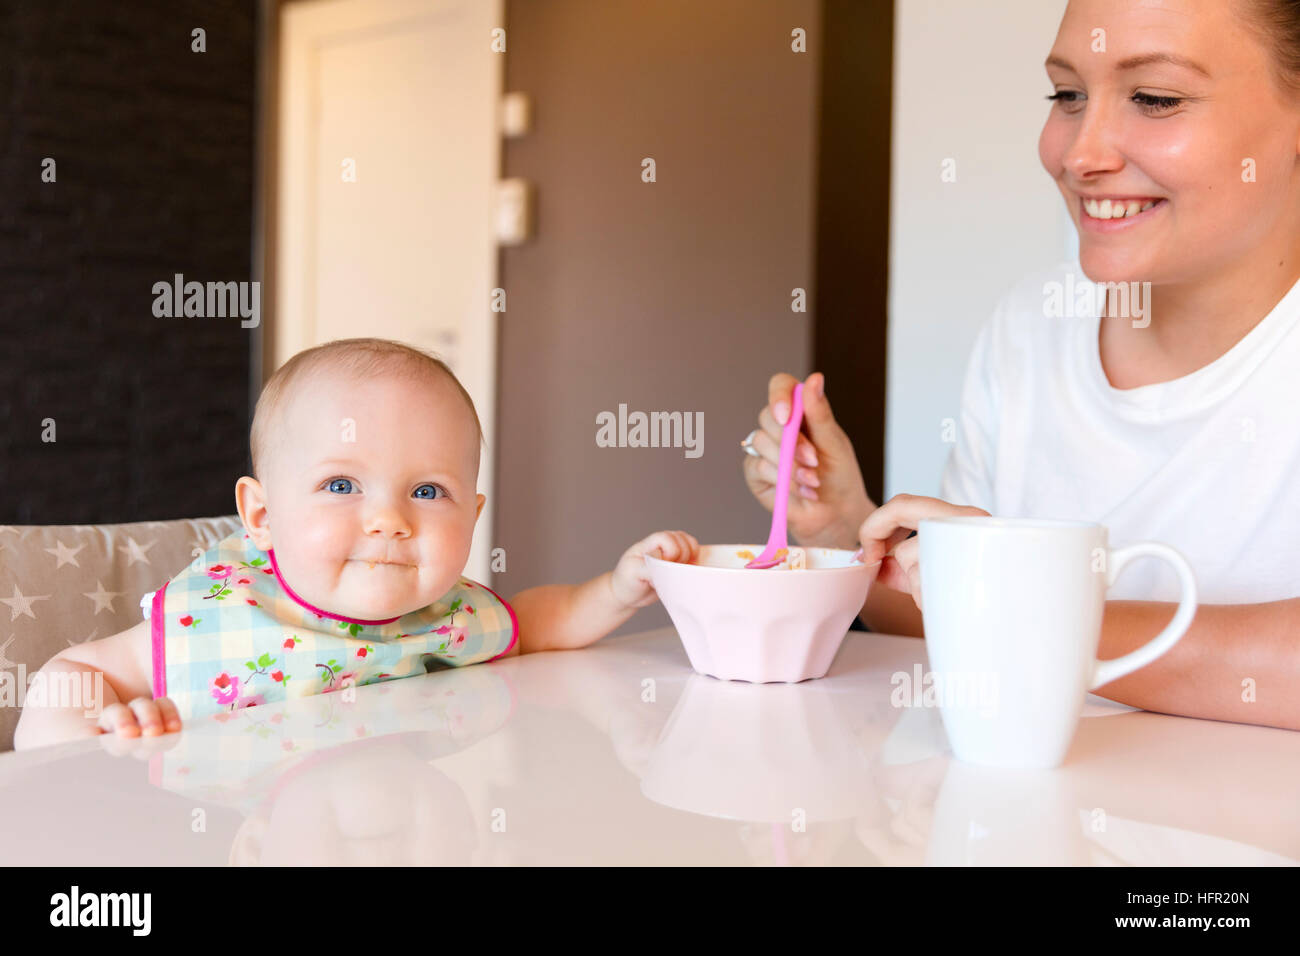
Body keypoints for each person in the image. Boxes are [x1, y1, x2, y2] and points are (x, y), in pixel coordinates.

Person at [744, 0, 1300, 731]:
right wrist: (845, 534)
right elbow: (961, 630)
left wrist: (1026, 599)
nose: (1080, 154)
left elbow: (1001, 622)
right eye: (1067, 95)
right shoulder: (1031, 327)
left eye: (1155, 98)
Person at [14, 337, 699, 748]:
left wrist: (616, 590)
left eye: (428, 492)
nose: (389, 520)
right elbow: (70, 676)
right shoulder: (223, 614)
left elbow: (539, 623)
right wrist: (93, 737)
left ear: (475, 511)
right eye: (342, 485)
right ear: (261, 515)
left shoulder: (453, 615)